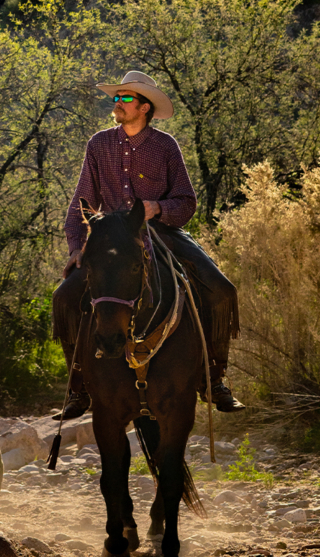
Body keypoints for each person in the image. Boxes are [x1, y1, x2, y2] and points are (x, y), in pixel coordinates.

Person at [52, 71, 245, 420]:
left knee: (221, 290)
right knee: (63, 298)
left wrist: (159, 208)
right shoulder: (98, 144)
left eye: (125, 99)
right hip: (110, 238)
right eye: (117, 98)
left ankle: (214, 380)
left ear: (144, 107)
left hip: (160, 232)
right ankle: (78, 388)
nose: (118, 104)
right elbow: (81, 199)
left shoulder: (165, 146)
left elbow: (187, 202)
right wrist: (77, 246)